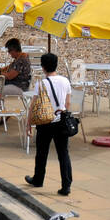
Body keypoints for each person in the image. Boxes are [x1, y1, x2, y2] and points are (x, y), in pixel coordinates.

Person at [25, 53, 73, 196]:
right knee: (63, 153)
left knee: (42, 152)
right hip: (61, 120)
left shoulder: (41, 84)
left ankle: (38, 179)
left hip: (45, 121)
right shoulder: (65, 81)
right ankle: (66, 185)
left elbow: (33, 106)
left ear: (43, 66)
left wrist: (29, 124)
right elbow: (68, 103)